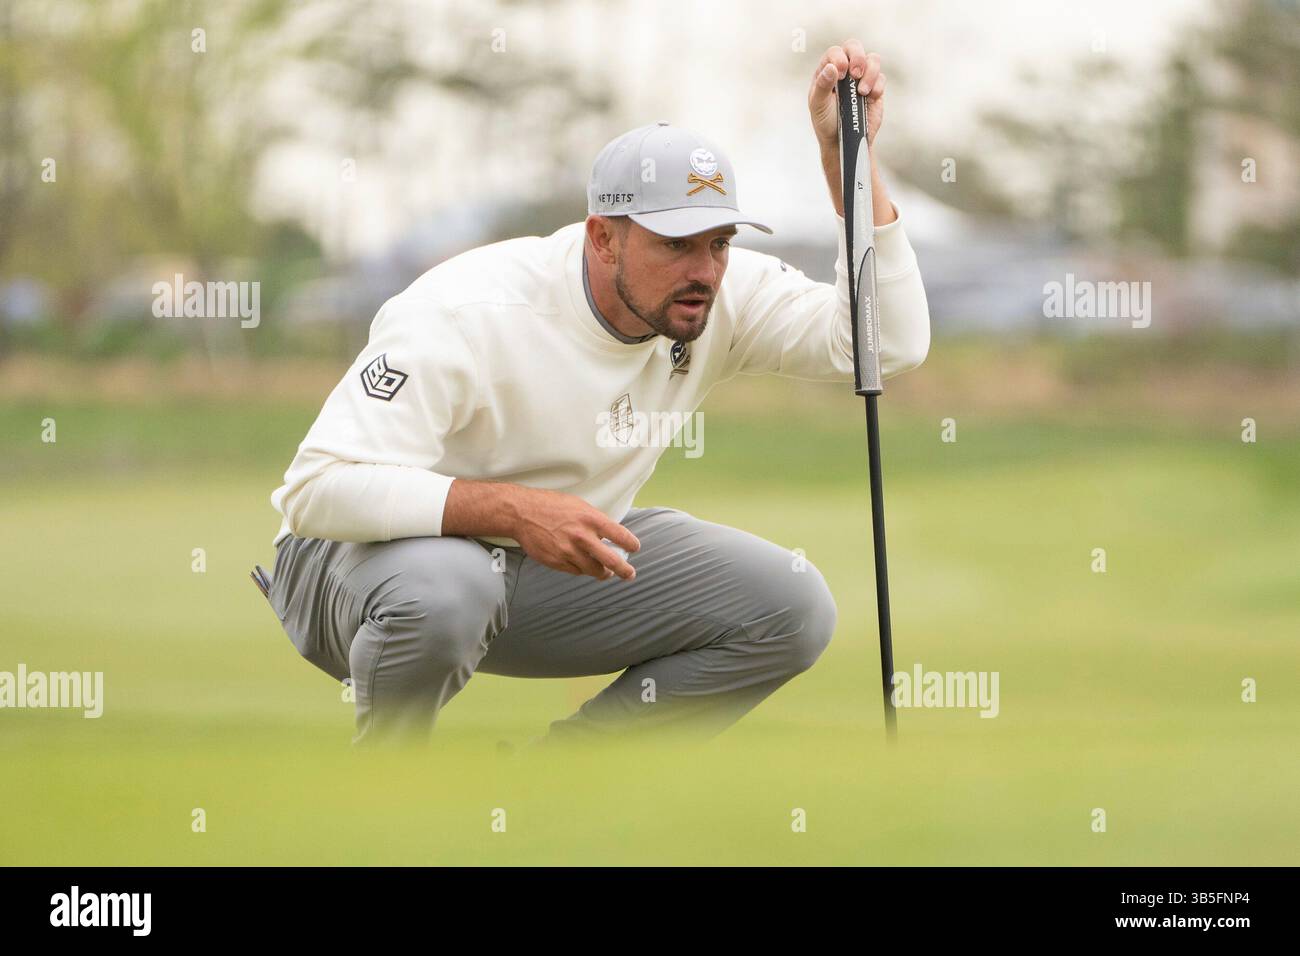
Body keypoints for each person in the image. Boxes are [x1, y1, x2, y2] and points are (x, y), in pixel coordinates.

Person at [261, 40, 930, 746]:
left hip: (543, 568)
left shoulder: (715, 297)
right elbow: (317, 489)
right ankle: (389, 798)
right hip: (353, 563)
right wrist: (516, 512)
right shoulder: (468, 310)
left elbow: (885, 344)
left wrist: (846, 164)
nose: (704, 269)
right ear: (603, 238)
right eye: (675, 244)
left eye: (720, 242)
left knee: (790, 607)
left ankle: (553, 792)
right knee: (452, 586)